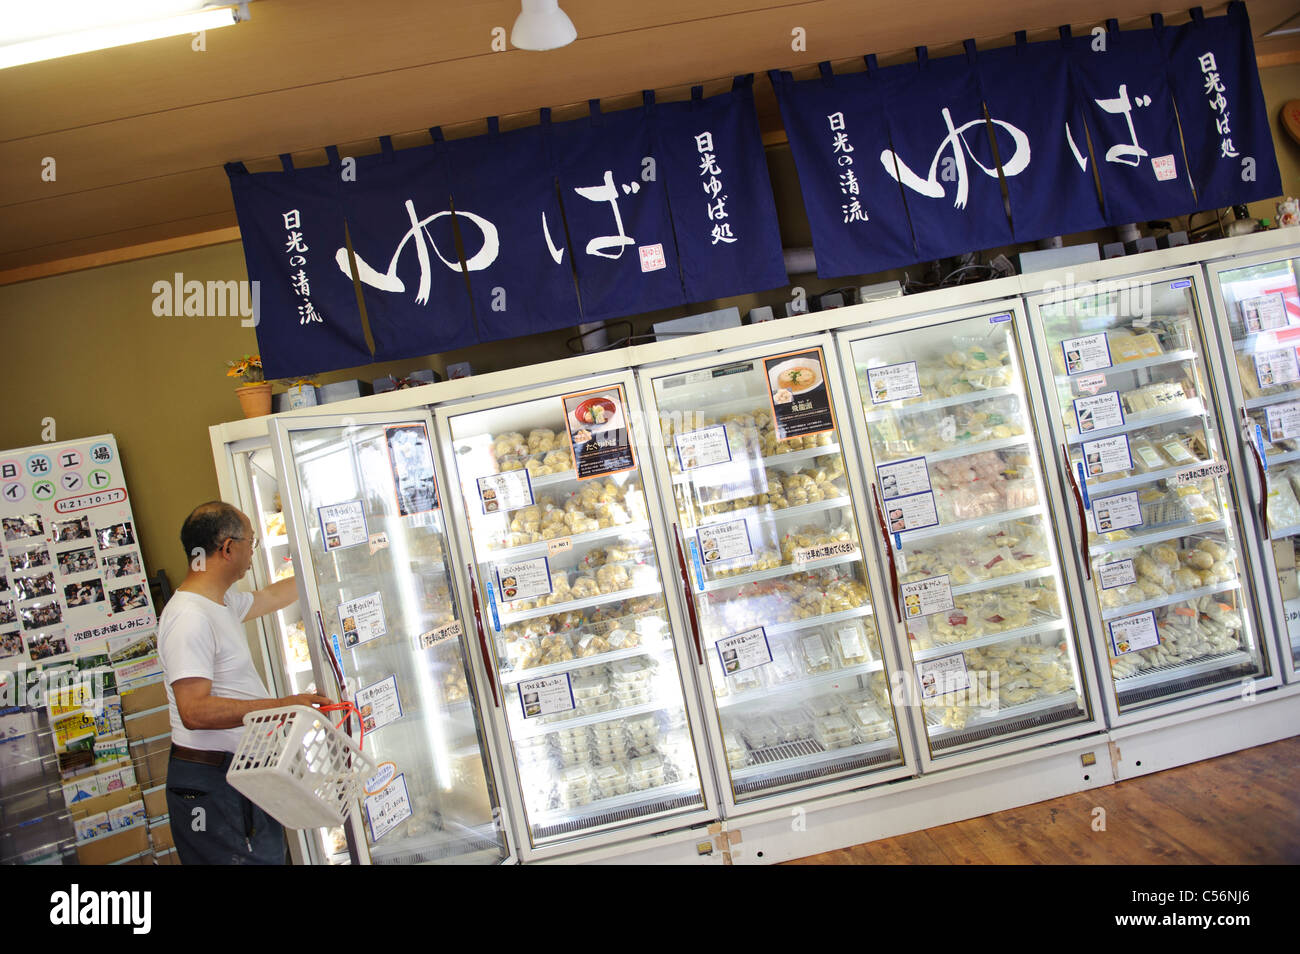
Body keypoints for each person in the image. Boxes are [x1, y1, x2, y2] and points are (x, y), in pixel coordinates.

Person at [159, 501, 330, 865]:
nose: (253, 551)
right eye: (251, 542)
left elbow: (270, 597)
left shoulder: (218, 604)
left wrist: (319, 567)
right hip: (212, 782)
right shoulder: (188, 617)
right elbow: (194, 711)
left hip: (238, 774)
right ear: (227, 547)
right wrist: (283, 706)